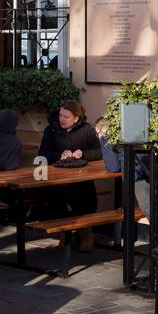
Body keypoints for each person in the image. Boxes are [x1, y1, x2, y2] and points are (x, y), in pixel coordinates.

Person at [36, 101, 100, 245]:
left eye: (66, 116)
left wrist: (83, 154)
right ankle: (65, 234)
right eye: (60, 115)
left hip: (80, 178)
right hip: (56, 179)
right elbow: (42, 154)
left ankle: (84, 233)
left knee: (86, 197)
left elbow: (99, 151)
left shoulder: (87, 130)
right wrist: (59, 155)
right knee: (54, 198)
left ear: (76, 118)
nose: (62, 119)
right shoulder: (51, 130)